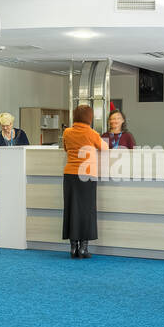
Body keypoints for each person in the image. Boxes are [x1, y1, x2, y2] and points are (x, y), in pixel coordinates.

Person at [62, 104, 108, 259]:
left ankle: (73, 248)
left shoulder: (67, 132)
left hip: (70, 175)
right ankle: (84, 248)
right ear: (89, 117)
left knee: (71, 209)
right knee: (86, 211)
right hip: (87, 176)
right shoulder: (92, 133)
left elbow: (66, 148)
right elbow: (105, 148)